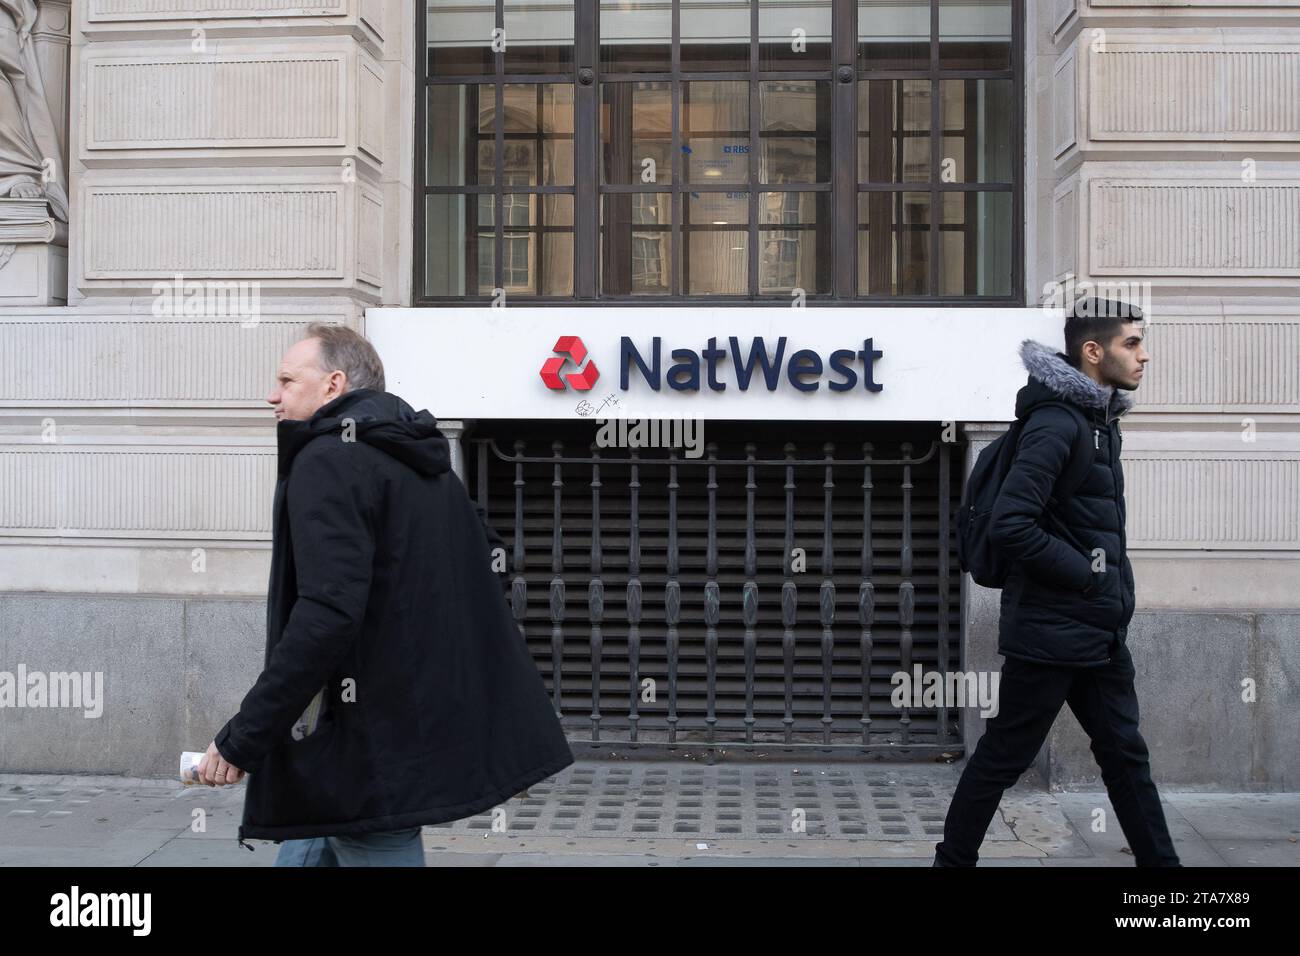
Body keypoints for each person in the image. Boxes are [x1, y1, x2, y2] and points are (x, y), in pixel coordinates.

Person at [196, 322, 574, 866]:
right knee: (318, 826)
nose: (272, 396)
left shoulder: (327, 461)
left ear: (333, 384)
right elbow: (484, 564)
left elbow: (327, 613)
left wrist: (243, 737)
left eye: (286, 380)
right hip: (375, 730)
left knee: (370, 833)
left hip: (371, 741)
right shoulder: (417, 457)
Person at [934, 299, 1181, 867]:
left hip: (1097, 633)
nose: (1143, 356)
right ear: (1093, 352)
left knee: (1126, 759)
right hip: (1052, 632)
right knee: (1004, 756)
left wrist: (1105, 595)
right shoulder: (1058, 424)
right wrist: (1088, 576)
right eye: (1131, 344)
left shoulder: (1099, 424)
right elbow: (1011, 524)